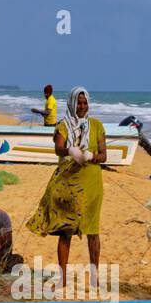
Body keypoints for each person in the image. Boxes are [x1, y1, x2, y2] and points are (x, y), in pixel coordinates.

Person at [27, 86, 106, 274]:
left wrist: (91, 156)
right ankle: (62, 277)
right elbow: (58, 149)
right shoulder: (63, 126)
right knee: (66, 230)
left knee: (92, 231)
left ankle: (95, 275)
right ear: (71, 103)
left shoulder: (97, 125)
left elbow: (104, 156)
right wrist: (70, 151)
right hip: (69, 184)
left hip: (92, 184)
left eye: (85, 102)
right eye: (78, 102)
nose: (82, 106)